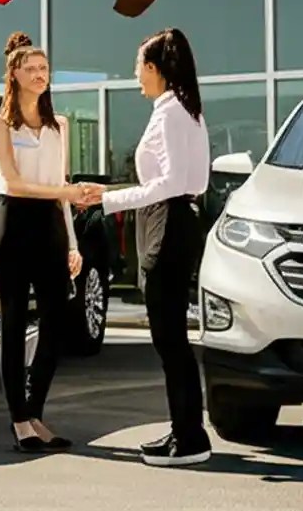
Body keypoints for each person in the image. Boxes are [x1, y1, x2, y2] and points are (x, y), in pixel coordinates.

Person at [84, 27, 212, 467]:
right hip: (168, 222)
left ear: (154, 68)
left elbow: (171, 183)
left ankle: (191, 440)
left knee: (169, 340)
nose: (135, 74)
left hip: (168, 225)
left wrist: (108, 199)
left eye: (138, 65)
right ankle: (184, 431)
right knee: (169, 339)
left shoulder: (172, 112)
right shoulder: (180, 108)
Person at [0, 31, 98, 453]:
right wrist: (63, 194)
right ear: (13, 74)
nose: (39, 75)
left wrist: (73, 243)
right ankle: (19, 422)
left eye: (44, 69)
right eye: (30, 68)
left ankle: (35, 413)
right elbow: (12, 183)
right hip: (13, 226)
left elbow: (60, 186)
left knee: (56, 325)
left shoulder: (59, 126)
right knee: (13, 328)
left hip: (50, 225)